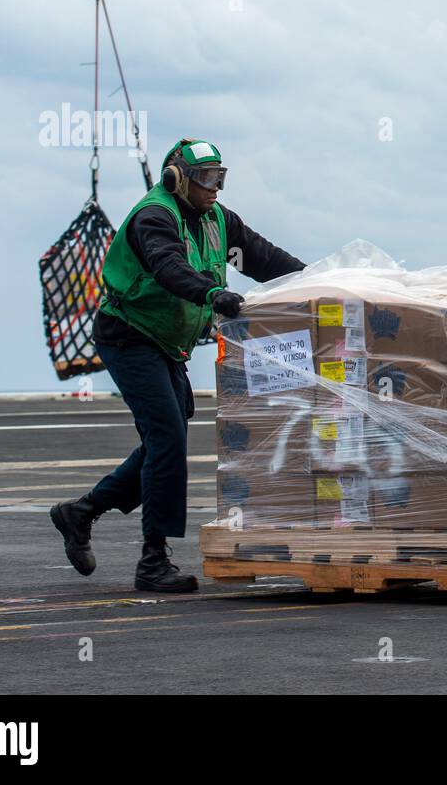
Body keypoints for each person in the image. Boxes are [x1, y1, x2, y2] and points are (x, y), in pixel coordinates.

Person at [50, 139, 306, 592]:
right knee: (167, 435)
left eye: (220, 179)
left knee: (163, 440)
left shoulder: (217, 221)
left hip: (168, 344)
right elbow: (169, 267)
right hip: (129, 335)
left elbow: (264, 259)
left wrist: (324, 281)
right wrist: (212, 294)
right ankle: (152, 561)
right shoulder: (155, 216)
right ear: (177, 178)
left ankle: (81, 512)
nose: (215, 189)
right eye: (207, 180)